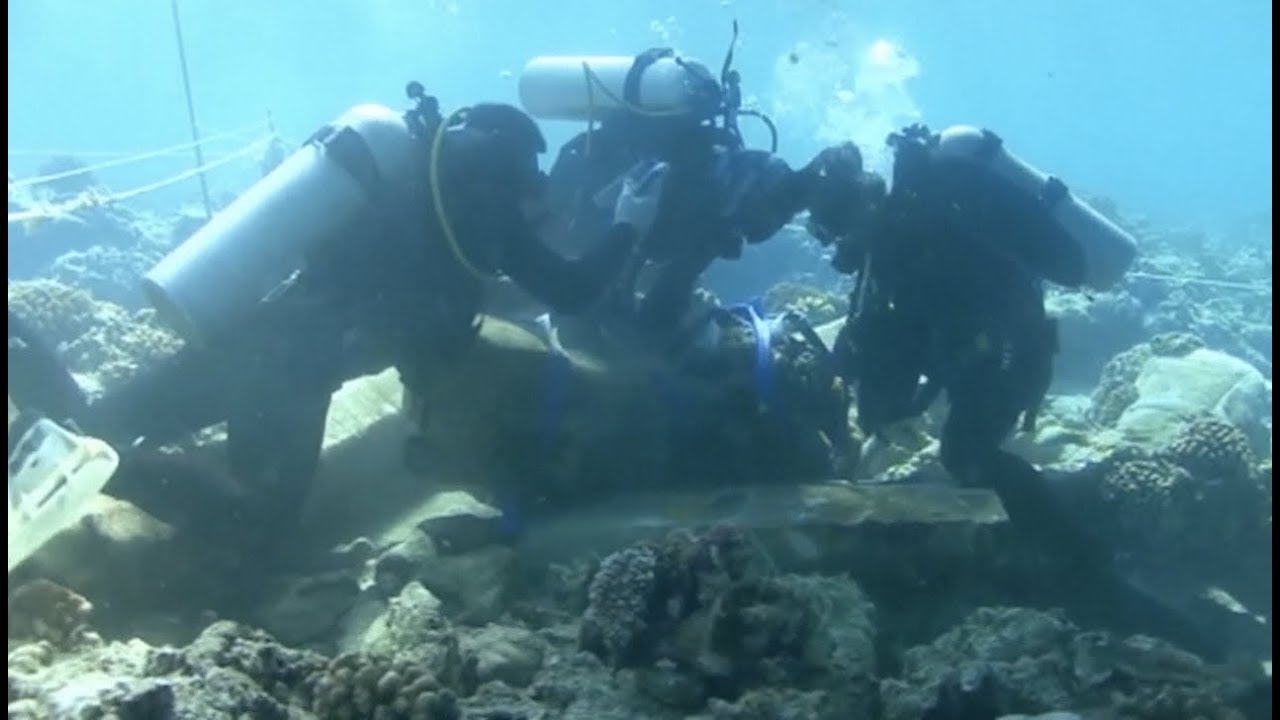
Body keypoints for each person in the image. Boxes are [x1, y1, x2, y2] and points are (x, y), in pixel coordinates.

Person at [12, 87, 670, 540]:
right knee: (258, 523)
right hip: (292, 374)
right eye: (530, 176)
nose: (532, 194)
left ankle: (34, 366)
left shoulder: (404, 180)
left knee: (97, 413)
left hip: (257, 325)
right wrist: (627, 225)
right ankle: (107, 463)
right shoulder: (485, 190)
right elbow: (572, 293)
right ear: (510, 160)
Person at [806, 123, 1226, 659]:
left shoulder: (904, 238)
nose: (837, 246)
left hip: (1009, 356)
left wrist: (867, 379)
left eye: (832, 229)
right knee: (966, 449)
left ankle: (1095, 575)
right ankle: (1073, 553)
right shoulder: (906, 231)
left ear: (854, 209)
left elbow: (894, 370)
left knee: (968, 453)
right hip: (1006, 351)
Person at [521, 46, 826, 348]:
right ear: (747, 197)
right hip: (578, 218)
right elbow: (605, 271)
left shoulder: (712, 200)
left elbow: (661, 304)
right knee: (579, 324)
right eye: (754, 222)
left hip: (591, 224)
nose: (742, 238)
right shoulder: (684, 190)